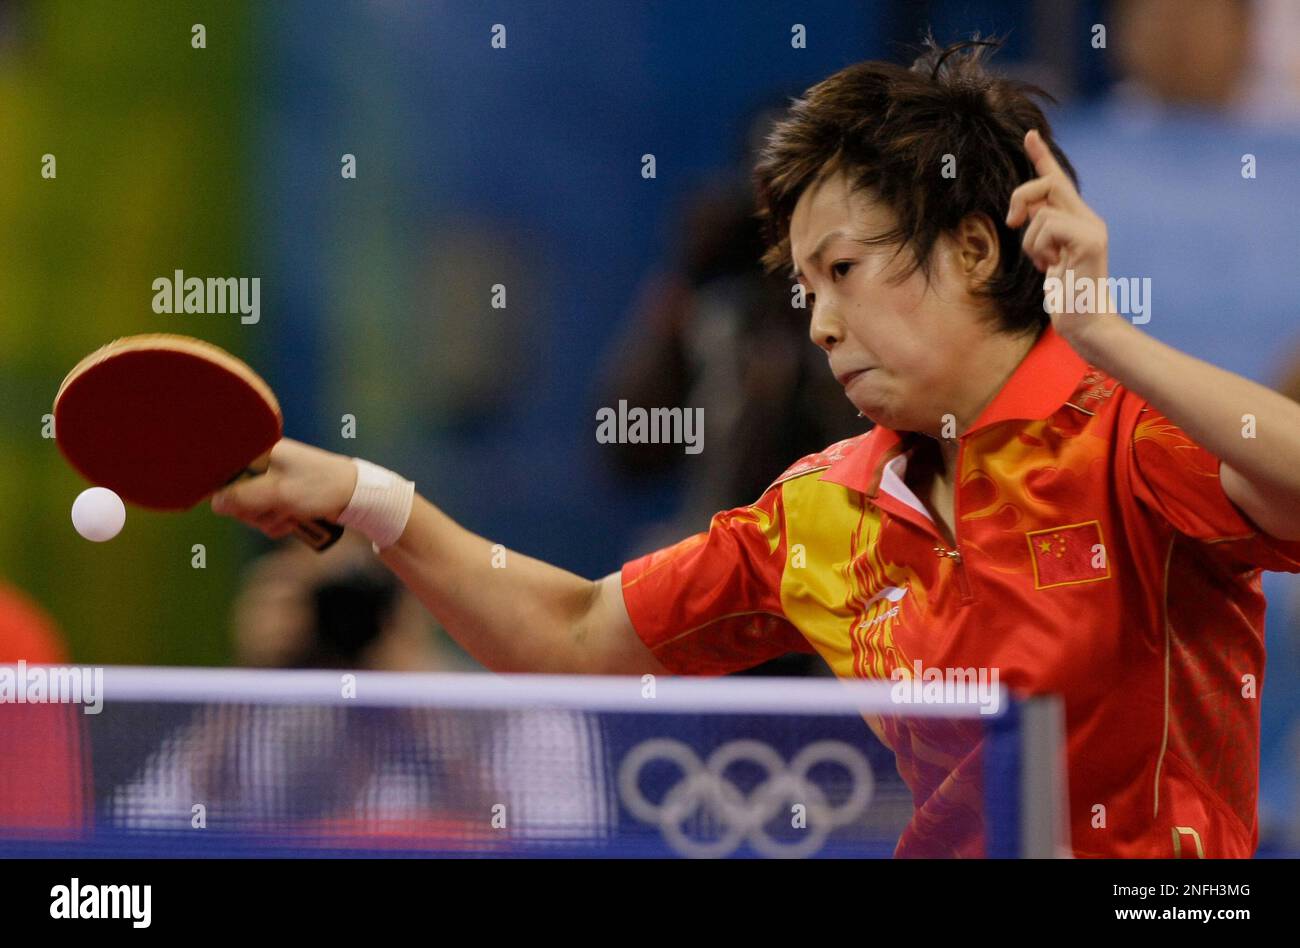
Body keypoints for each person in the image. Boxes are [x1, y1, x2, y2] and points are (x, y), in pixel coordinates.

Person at [210, 37, 1300, 858]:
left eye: (844, 271)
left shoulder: (1125, 437)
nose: (818, 323)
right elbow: (575, 633)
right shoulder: (822, 512)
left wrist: (1104, 335)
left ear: (973, 249)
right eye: (803, 286)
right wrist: (367, 496)